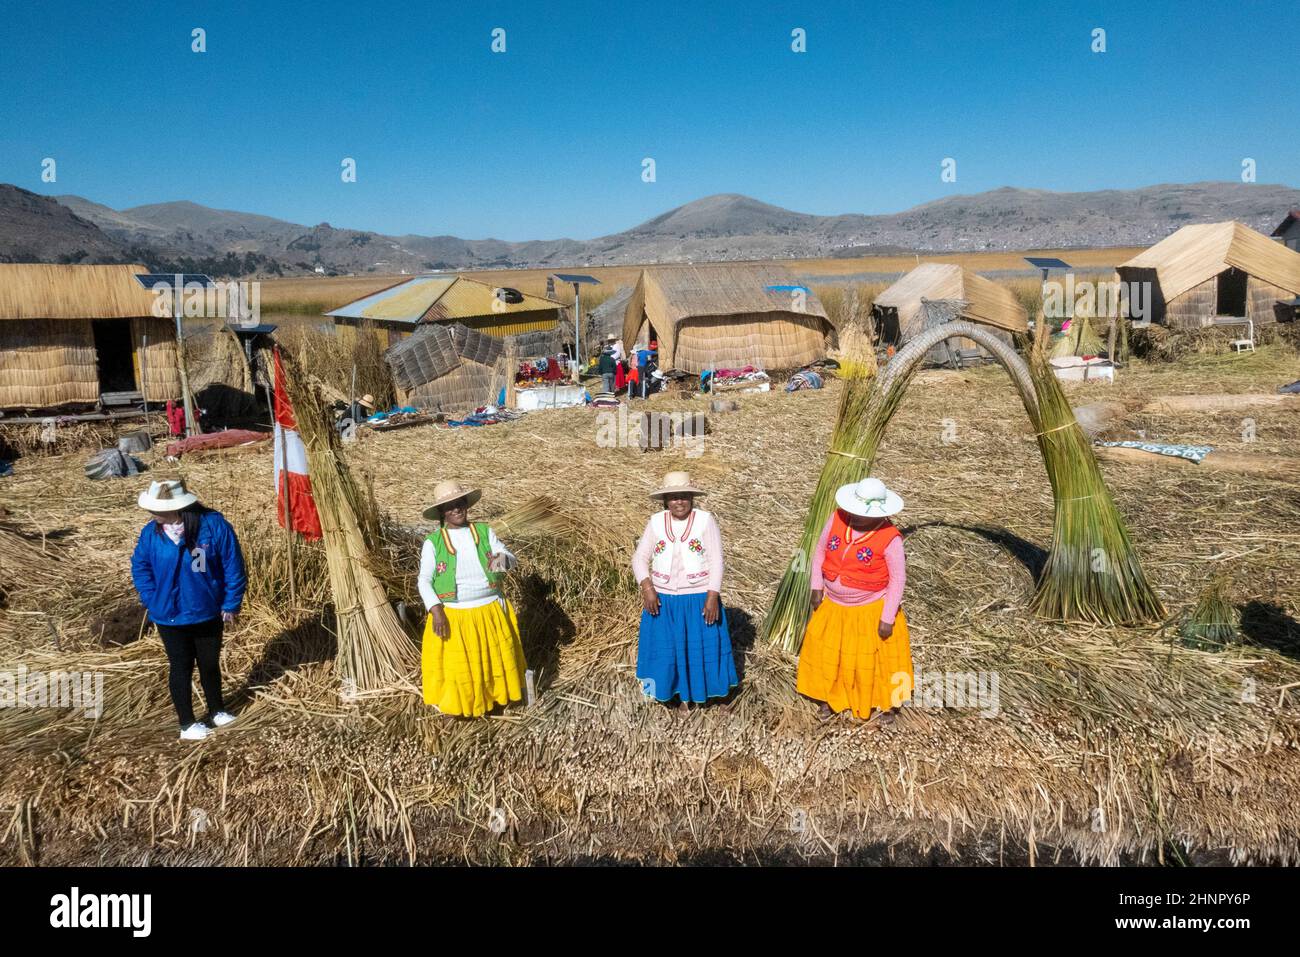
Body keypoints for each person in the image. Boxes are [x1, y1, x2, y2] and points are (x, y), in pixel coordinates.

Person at [130, 479, 247, 741]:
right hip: (169, 616)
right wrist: (151, 598)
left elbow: (233, 564)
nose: (151, 514)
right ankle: (187, 723)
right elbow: (140, 567)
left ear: (178, 508)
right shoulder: (151, 534)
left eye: (157, 509)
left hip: (206, 610)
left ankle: (217, 710)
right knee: (180, 666)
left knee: (209, 664)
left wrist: (231, 602)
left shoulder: (213, 526)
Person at [797, 477, 911, 725]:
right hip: (834, 606)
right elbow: (819, 550)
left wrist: (887, 616)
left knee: (870, 660)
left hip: (869, 610)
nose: (856, 516)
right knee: (830, 653)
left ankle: (883, 704)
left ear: (881, 513)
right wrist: (817, 584)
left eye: (863, 513)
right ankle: (828, 697)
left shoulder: (890, 538)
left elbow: (897, 580)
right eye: (855, 510)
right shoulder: (837, 518)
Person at [418, 480, 527, 717]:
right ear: (441, 513)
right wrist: (436, 611)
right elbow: (424, 580)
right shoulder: (433, 543)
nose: (457, 509)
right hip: (454, 614)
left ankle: (495, 700)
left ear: (466, 505)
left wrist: (501, 561)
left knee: (492, 659)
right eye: (450, 506)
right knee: (461, 667)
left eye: (460, 503)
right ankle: (462, 707)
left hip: (490, 610)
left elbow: (510, 558)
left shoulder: (484, 532)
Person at [632, 471, 738, 710]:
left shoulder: (705, 520)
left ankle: (708, 693)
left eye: (684, 497)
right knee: (667, 648)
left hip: (698, 598)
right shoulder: (656, 522)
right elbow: (639, 557)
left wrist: (712, 595)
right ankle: (678, 695)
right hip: (664, 600)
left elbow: (716, 560)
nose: (679, 502)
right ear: (665, 500)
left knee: (700, 647)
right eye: (673, 497)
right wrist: (647, 587)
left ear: (692, 498)